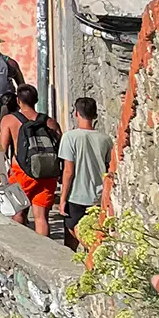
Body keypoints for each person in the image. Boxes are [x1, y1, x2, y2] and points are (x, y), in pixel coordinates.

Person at [0, 83, 63, 238]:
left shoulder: (9, 120)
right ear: (36, 100)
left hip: (20, 171)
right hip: (47, 172)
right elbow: (59, 147)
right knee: (41, 218)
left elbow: (2, 148)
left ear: (18, 101)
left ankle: (20, 246)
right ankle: (44, 252)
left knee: (19, 212)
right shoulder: (49, 122)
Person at [58, 97, 114, 249]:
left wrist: (62, 199)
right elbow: (110, 166)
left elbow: (68, 171)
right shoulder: (106, 139)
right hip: (98, 196)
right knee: (95, 234)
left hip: (76, 195)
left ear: (76, 113)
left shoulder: (69, 137)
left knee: (72, 238)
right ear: (95, 115)